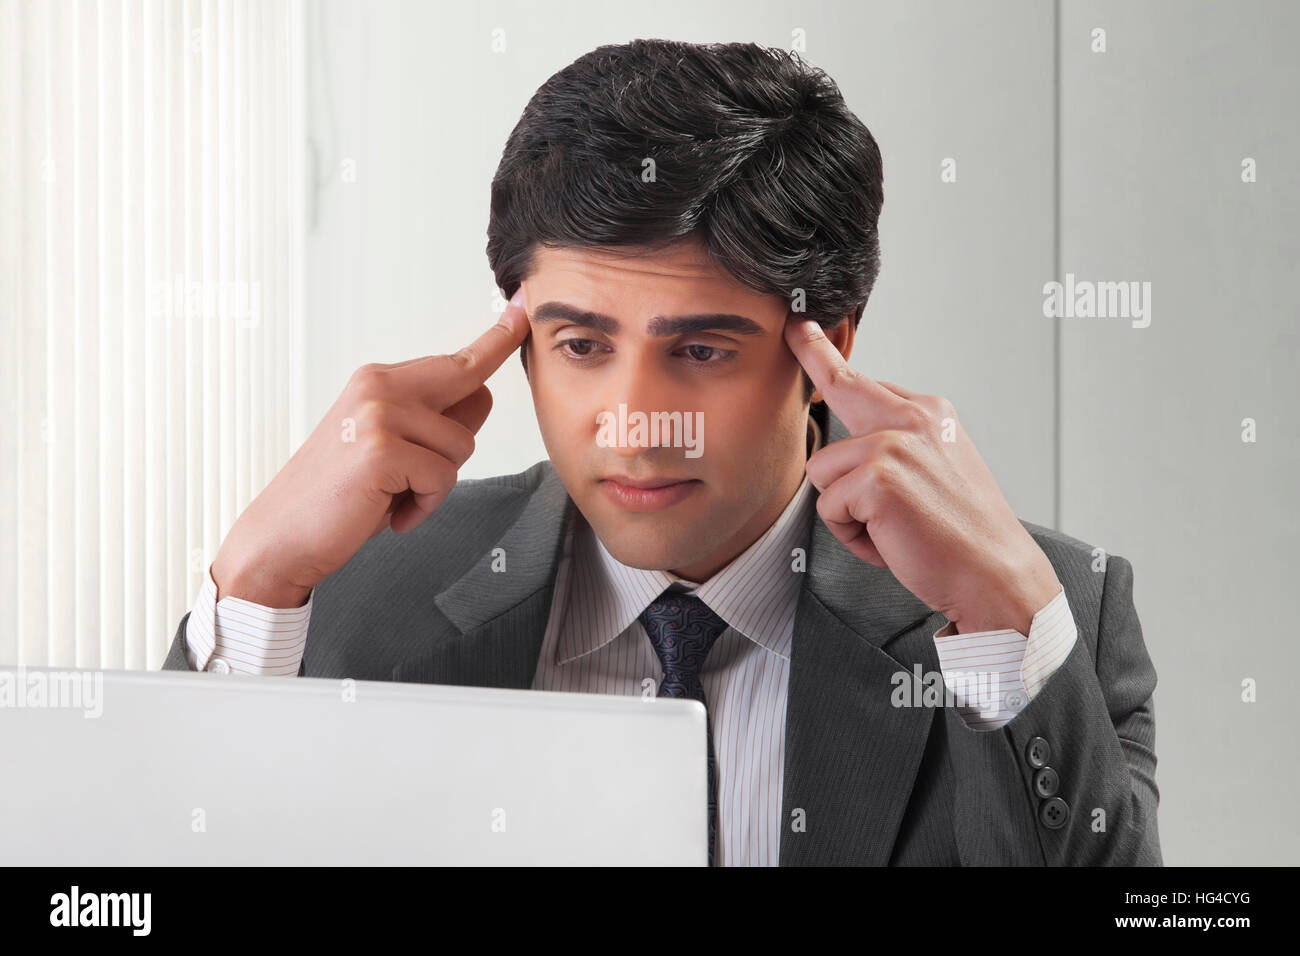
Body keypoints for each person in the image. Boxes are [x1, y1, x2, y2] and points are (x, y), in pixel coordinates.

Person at [162, 39, 1160, 866]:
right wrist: (254, 580)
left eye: (699, 350)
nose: (635, 422)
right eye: (582, 345)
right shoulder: (350, 600)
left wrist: (1001, 623)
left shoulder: (1037, 611)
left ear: (829, 347)